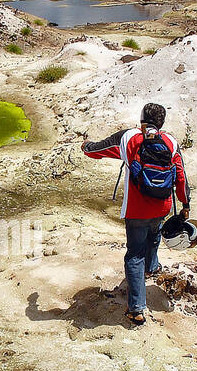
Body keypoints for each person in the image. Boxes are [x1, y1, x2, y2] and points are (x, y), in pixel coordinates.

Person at [81, 102, 190, 325]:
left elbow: (99, 150)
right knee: (155, 233)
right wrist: (185, 203)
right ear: (162, 122)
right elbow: (181, 176)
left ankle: (136, 309)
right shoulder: (171, 142)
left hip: (136, 209)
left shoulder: (129, 137)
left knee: (134, 254)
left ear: (141, 119)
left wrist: (85, 146)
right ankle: (152, 268)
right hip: (162, 206)